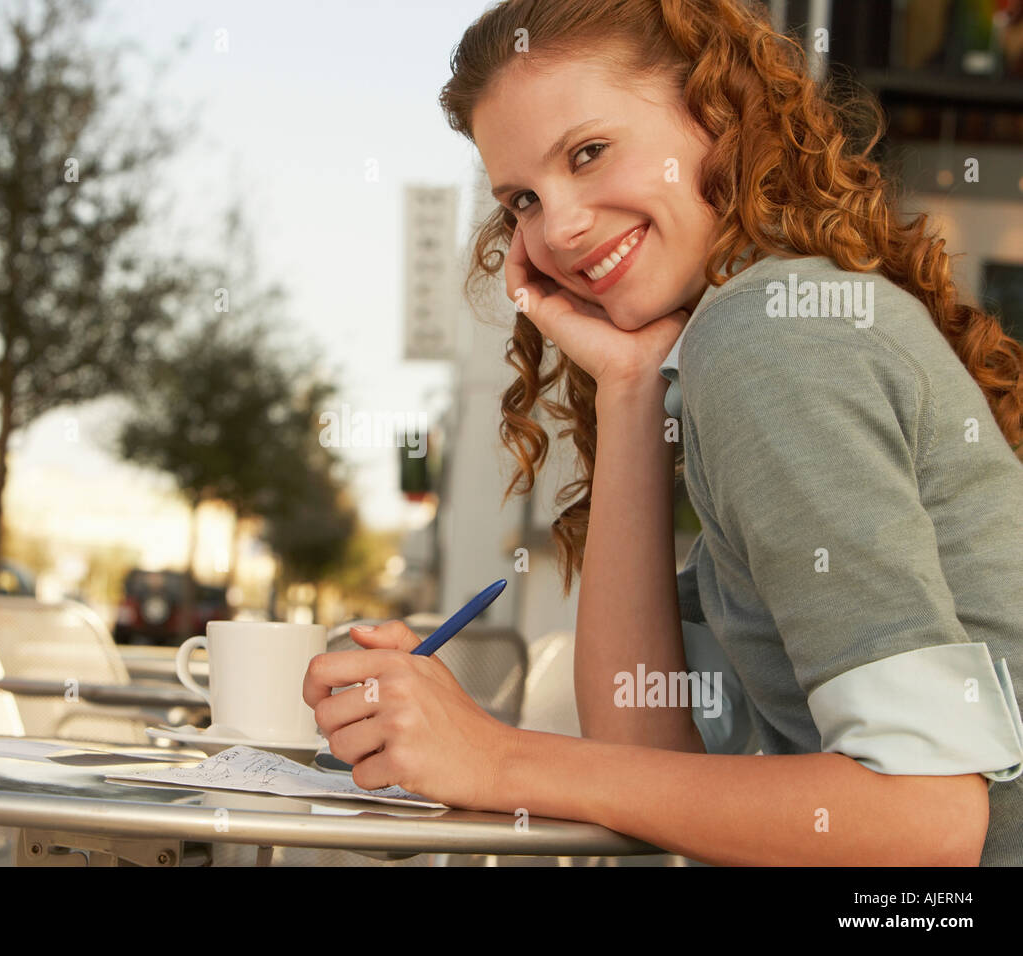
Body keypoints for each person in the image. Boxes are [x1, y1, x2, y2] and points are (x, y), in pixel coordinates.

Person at [303, 0, 1023, 866]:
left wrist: (498, 756)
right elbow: (642, 749)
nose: (559, 227)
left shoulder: (769, 336)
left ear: (717, 113)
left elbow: (926, 823)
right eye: (523, 199)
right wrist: (631, 386)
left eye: (589, 153)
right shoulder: (758, 327)